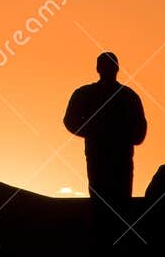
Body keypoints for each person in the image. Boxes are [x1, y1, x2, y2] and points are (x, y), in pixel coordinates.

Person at [63, 52, 147, 240]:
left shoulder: (127, 96)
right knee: (103, 203)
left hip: (118, 159)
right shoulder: (89, 94)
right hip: (99, 158)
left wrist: (108, 134)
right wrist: (95, 132)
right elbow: (70, 121)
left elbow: (140, 132)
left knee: (118, 203)